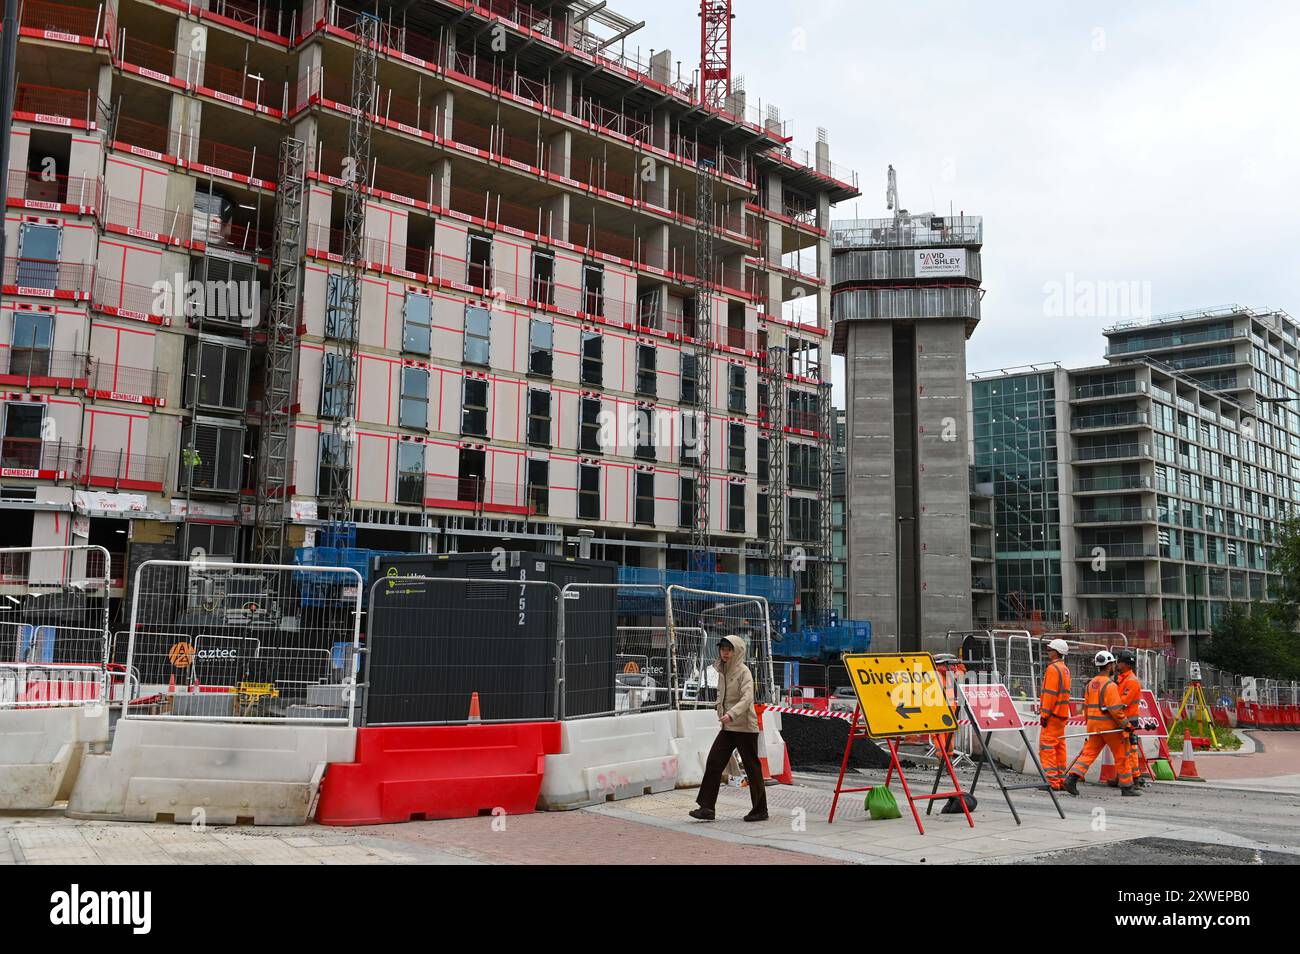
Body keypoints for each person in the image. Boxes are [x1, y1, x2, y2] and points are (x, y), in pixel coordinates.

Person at [690, 634, 769, 822]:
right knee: (714, 762)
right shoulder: (722, 670)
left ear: (737, 652)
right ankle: (707, 808)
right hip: (728, 727)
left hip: (744, 727)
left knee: (752, 768)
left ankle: (760, 810)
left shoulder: (744, 672)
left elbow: (747, 698)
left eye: (729, 650)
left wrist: (731, 713)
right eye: (722, 649)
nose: (724, 653)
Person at [1064, 651, 1137, 796]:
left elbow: (1086, 707)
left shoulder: (1091, 684)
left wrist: (1089, 725)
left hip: (1094, 726)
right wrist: (1126, 725)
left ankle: (1072, 779)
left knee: (1088, 754)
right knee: (1121, 755)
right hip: (1109, 728)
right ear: (1109, 666)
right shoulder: (1110, 685)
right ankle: (1127, 788)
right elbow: (1116, 710)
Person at [1038, 638, 1072, 790]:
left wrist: (1044, 715)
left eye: (1050, 650)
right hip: (1061, 714)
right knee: (1059, 748)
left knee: (1047, 748)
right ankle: (1060, 779)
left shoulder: (1053, 669)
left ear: (1056, 652)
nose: (1048, 652)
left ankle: (1052, 782)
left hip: (1052, 716)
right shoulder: (1065, 669)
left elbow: (1050, 694)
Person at [1113, 649, 1145, 788]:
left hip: (1128, 721)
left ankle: (1135, 778)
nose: (1117, 664)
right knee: (1123, 750)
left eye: (1119, 662)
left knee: (1129, 751)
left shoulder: (1131, 681)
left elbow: (1122, 701)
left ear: (1126, 664)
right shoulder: (1122, 679)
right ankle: (1122, 776)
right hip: (1123, 719)